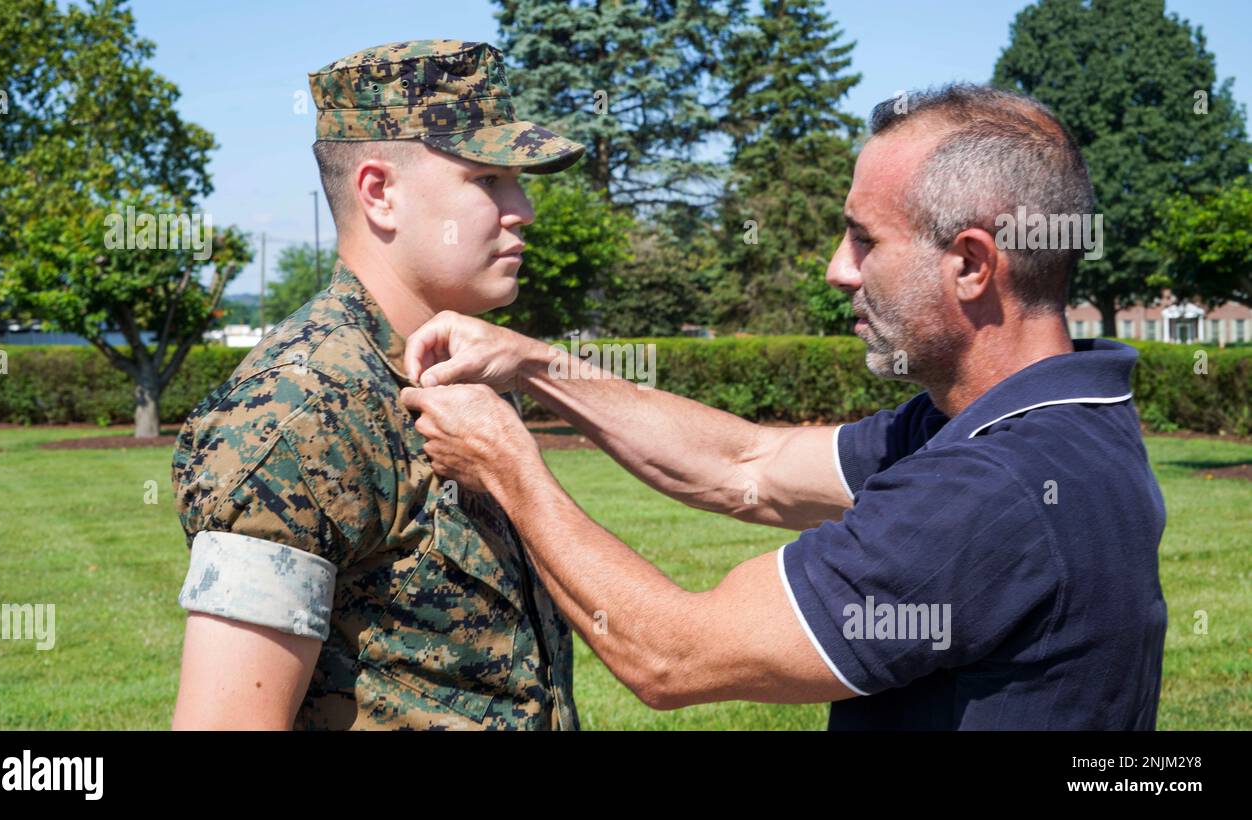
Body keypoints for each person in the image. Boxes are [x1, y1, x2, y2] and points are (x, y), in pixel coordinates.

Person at [400, 84, 1168, 730]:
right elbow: (749, 466)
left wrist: (507, 465)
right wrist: (537, 364)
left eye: (865, 240)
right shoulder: (1032, 418)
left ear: (970, 264)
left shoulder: (993, 485)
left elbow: (676, 656)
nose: (839, 270)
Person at [170, 39, 585, 730]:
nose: (524, 208)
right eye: (487, 180)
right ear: (379, 193)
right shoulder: (298, 411)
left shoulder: (455, 374)